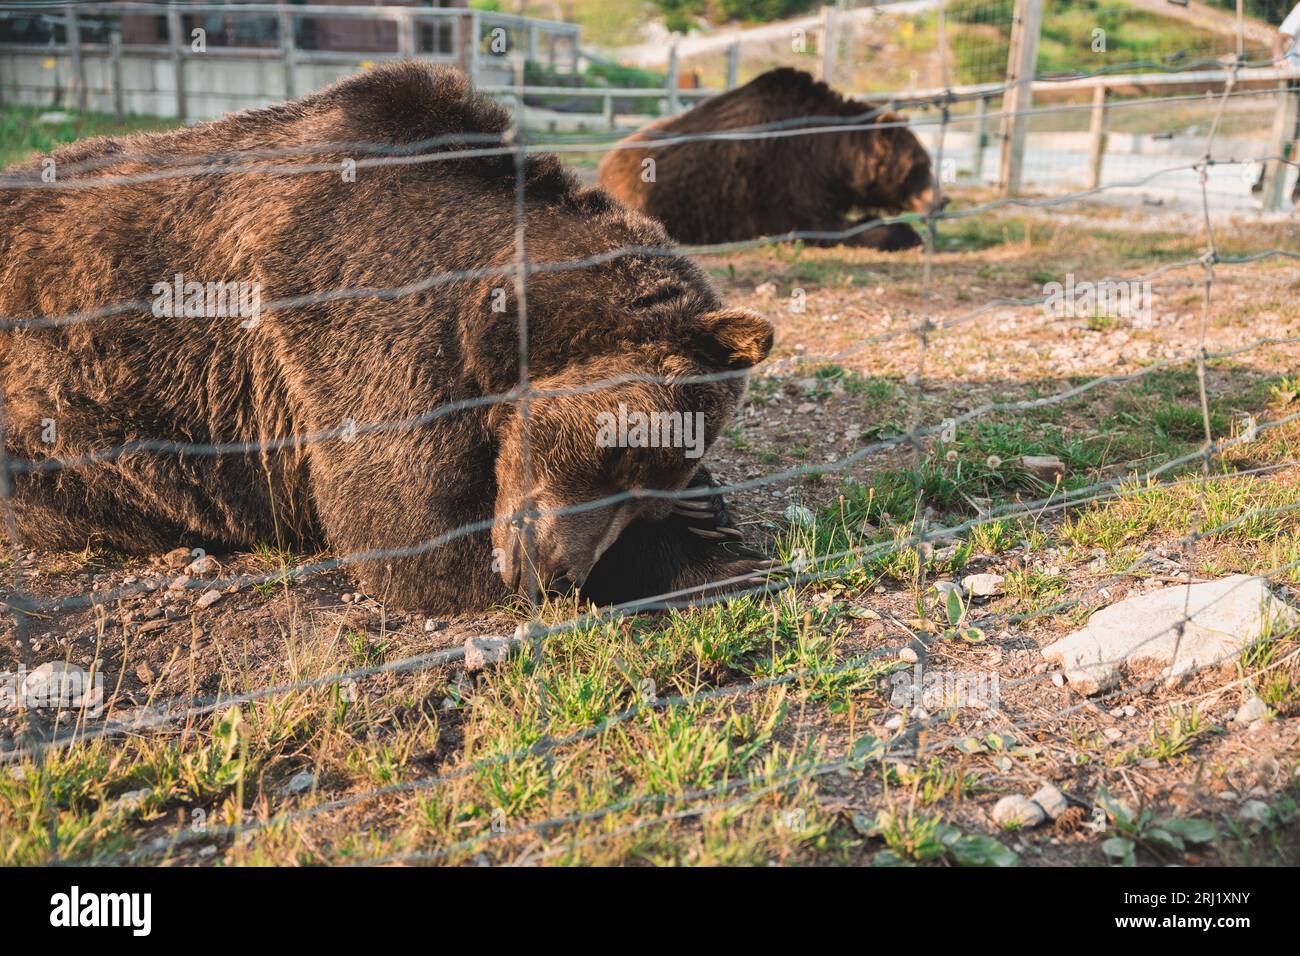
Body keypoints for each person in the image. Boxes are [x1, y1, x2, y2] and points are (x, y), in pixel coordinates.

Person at [1254, 3, 1300, 203]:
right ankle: (1264, 180)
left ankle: (1297, 192)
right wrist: (1278, 58)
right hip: (1296, 80)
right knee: (1288, 135)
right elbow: (1280, 38)